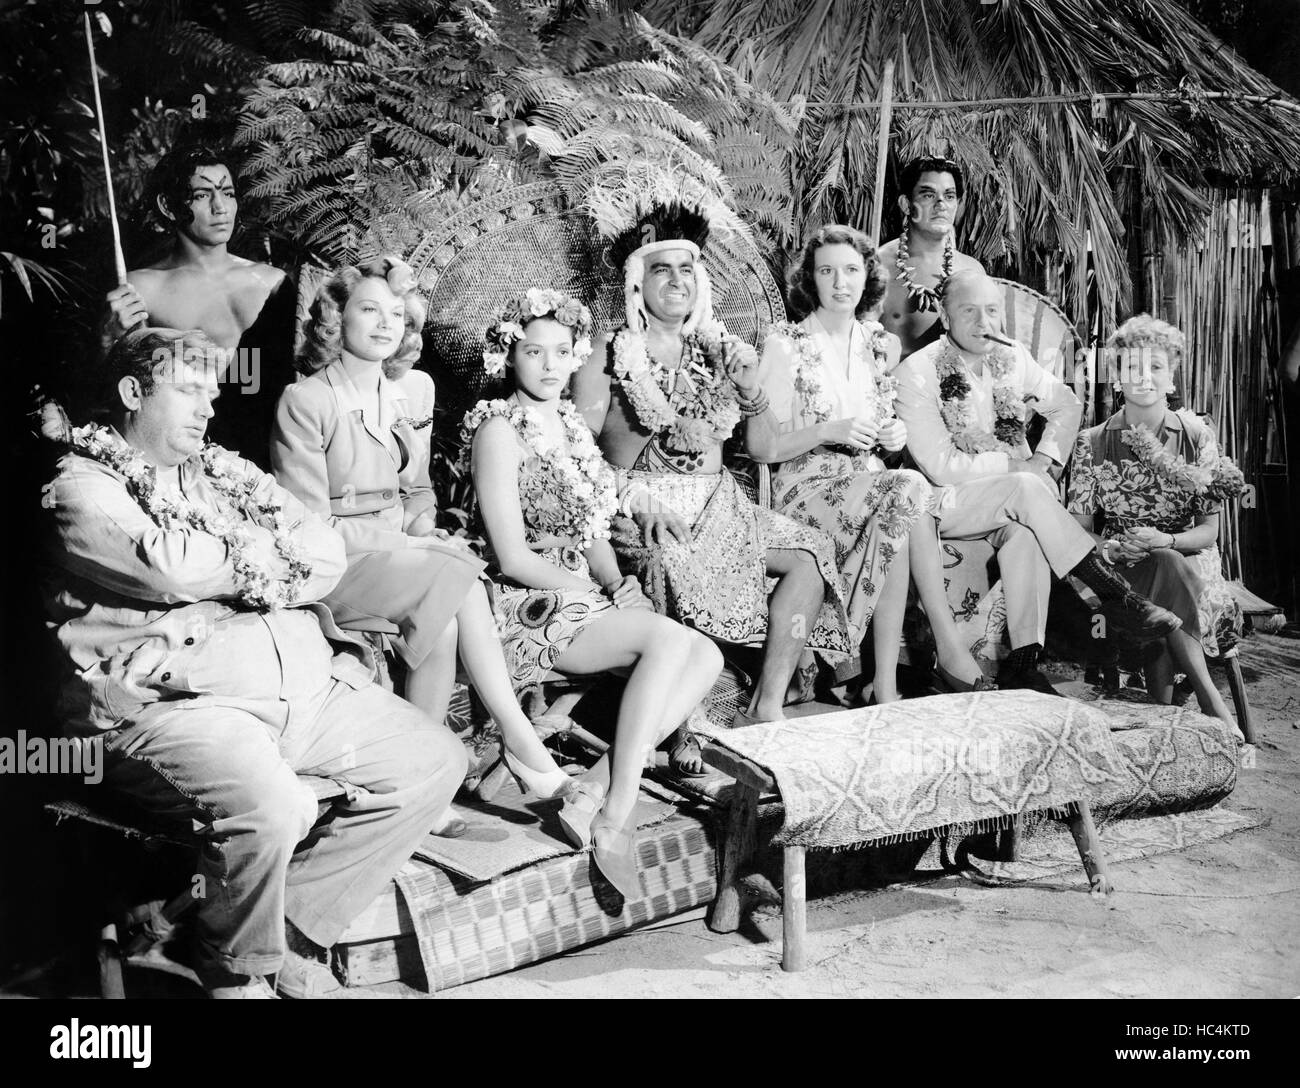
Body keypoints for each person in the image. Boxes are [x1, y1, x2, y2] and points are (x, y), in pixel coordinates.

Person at [42, 327, 465, 999]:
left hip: (304, 688)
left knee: (435, 762)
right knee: (269, 808)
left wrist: (252, 565)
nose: (208, 407)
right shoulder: (78, 491)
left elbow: (323, 551)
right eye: (187, 390)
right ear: (131, 393)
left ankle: (286, 925)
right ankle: (235, 967)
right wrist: (266, 558)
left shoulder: (228, 475)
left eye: (212, 392)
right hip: (180, 712)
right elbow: (167, 565)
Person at [466, 288, 724, 897]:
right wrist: (592, 591)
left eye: (563, 352)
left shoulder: (571, 429)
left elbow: (590, 527)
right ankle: (616, 815)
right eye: (534, 352)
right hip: (525, 601)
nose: (551, 366)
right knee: (665, 640)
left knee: (705, 655)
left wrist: (617, 582)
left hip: (581, 591)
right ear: (510, 357)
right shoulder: (498, 430)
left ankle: (591, 793)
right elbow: (512, 556)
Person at [572, 199, 851, 726]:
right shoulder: (606, 354)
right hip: (641, 508)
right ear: (637, 281)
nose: (676, 281)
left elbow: (764, 448)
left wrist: (752, 393)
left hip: (723, 507)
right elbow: (576, 458)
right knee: (670, 559)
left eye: (686, 270)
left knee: (812, 553)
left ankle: (767, 705)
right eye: (662, 270)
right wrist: (633, 498)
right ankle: (681, 723)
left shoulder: (721, 350)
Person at [895, 269, 1183, 693]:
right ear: (944, 313)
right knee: (1028, 488)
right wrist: (1020, 470)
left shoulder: (1010, 357)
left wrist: (1046, 459)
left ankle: (1023, 662)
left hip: (1011, 501)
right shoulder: (916, 372)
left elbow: (1066, 403)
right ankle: (1118, 599)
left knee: (1026, 535)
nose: (984, 324)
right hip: (941, 503)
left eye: (992, 311)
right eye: (969, 311)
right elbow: (940, 465)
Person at [748, 225, 992, 701]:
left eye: (851, 270)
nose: (841, 282)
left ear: (867, 278)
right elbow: (765, 449)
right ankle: (944, 648)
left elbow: (884, 441)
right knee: (904, 494)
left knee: (899, 503)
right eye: (827, 271)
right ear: (810, 281)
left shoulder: (880, 344)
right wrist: (826, 430)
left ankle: (884, 684)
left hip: (871, 483)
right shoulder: (786, 345)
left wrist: (892, 436)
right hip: (805, 488)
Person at [1067, 315, 1247, 741]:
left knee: (1168, 562)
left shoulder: (1197, 435)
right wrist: (1113, 547)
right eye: (1131, 367)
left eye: (1156, 368)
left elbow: (1208, 532)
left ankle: (1164, 711)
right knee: (1158, 569)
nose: (1143, 378)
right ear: (1115, 376)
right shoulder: (1091, 442)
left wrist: (1165, 539)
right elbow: (1078, 530)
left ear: (1172, 376)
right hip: (1120, 563)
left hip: (1188, 555)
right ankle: (1208, 700)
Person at [103, 142, 295, 464]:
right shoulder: (141, 288)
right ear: (168, 205)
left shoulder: (273, 283)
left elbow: (305, 378)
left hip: (273, 454)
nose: (221, 207)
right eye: (204, 195)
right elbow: (120, 391)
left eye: (228, 193)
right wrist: (107, 339)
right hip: (179, 457)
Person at [877, 156, 985, 361]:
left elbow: (989, 346)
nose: (941, 204)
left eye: (949, 196)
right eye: (928, 195)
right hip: (888, 389)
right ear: (906, 204)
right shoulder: (877, 266)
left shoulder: (972, 270)